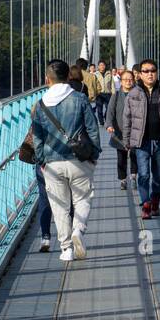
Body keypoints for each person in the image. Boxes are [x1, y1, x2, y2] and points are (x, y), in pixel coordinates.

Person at [31, 59, 101, 261]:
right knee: (82, 199)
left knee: (59, 206)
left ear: (47, 79)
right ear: (69, 77)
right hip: (79, 160)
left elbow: (37, 137)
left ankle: (66, 249)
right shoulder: (79, 98)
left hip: (52, 162)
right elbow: (92, 129)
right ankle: (78, 230)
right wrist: (93, 155)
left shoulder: (40, 104)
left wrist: (42, 161)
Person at [123, 58, 160, 220]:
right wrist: (127, 141)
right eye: (146, 71)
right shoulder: (133, 94)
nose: (150, 74)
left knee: (158, 176)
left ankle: (155, 200)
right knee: (143, 175)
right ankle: (146, 204)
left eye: (153, 70)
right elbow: (126, 119)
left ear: (157, 73)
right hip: (141, 142)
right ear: (139, 75)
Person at [105, 67, 138, 190]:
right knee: (121, 157)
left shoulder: (138, 94)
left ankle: (134, 177)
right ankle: (123, 179)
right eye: (125, 79)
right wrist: (109, 125)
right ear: (121, 81)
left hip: (135, 130)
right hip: (119, 130)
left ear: (134, 80)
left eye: (130, 79)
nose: (128, 82)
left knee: (135, 155)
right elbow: (110, 111)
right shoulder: (116, 95)